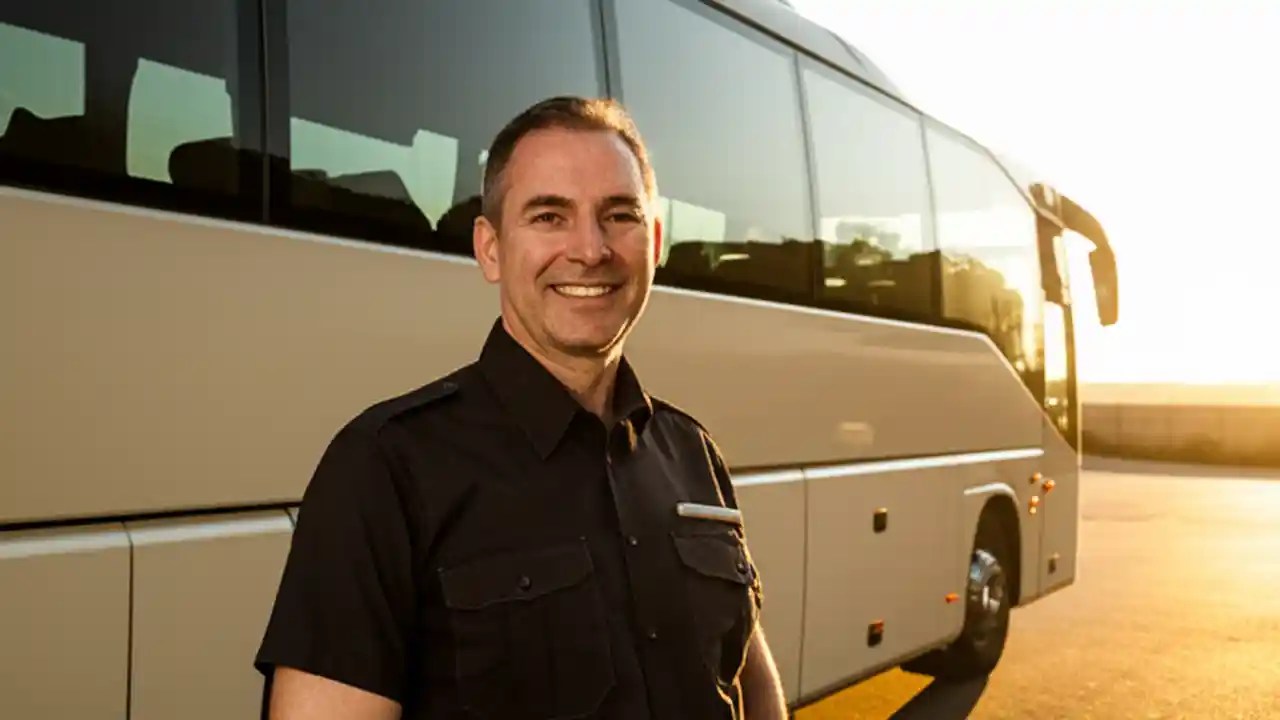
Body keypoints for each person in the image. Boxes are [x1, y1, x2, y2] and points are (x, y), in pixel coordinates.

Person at [254, 96, 787, 719]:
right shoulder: (384, 469)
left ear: (655, 242)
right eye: (549, 217)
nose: (590, 249)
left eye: (619, 215)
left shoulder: (692, 454)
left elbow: (751, 688)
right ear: (490, 248)